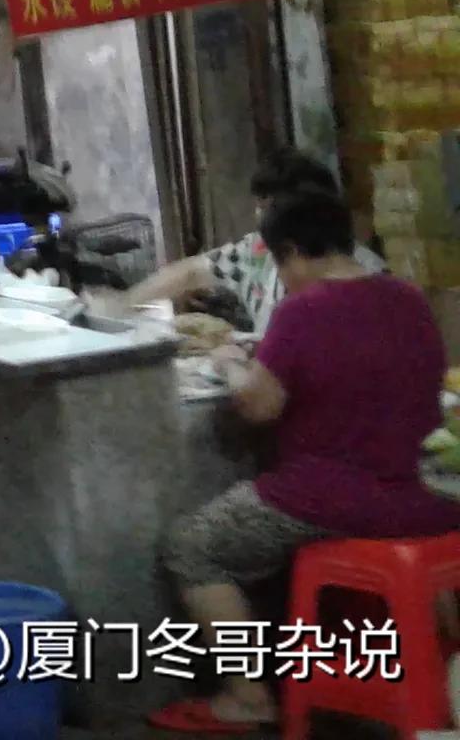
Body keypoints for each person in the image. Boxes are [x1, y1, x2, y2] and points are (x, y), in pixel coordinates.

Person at [152, 189, 460, 735]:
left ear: (292, 251)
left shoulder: (304, 310)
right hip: (424, 493)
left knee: (192, 545)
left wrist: (227, 363)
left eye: (279, 263)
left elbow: (258, 405)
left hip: (337, 497)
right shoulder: (408, 299)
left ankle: (248, 696)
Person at [120, 148, 380, 337]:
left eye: (268, 209)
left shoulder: (369, 276)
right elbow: (190, 272)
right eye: (259, 208)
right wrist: (124, 303)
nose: (259, 218)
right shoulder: (257, 251)